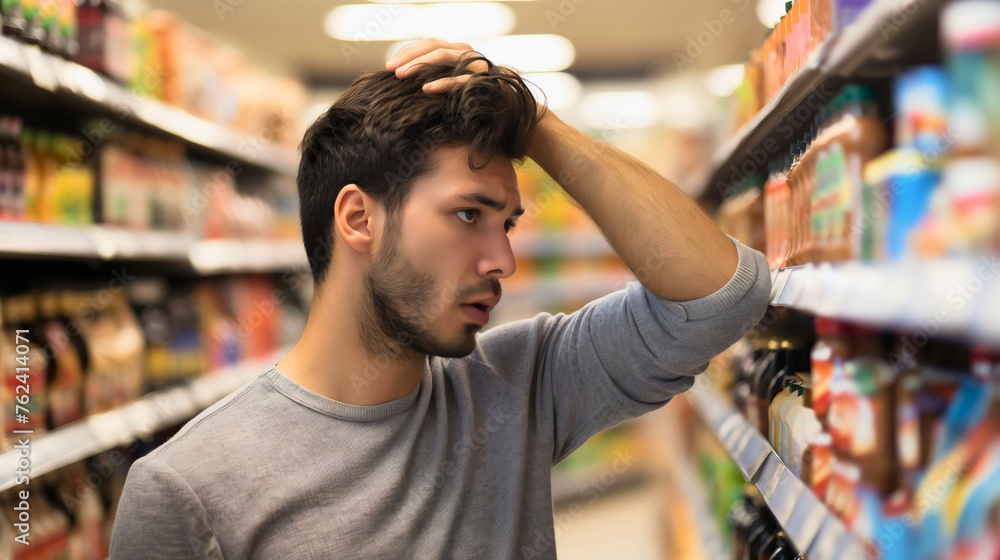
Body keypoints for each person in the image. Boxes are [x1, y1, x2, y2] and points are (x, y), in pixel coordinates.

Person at [108, 38, 770, 559]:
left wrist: (534, 122)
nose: (502, 259)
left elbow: (722, 295)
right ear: (358, 219)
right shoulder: (186, 491)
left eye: (506, 223)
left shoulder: (521, 386)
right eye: (467, 215)